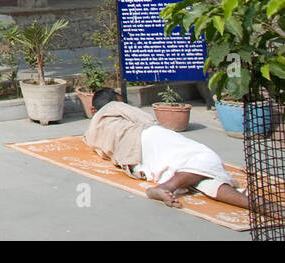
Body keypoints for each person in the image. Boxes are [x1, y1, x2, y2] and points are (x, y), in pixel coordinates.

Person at [84, 88, 248, 209]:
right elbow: (147, 120)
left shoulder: (90, 133)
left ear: (93, 110)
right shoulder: (114, 106)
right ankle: (166, 187)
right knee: (205, 157)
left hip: (131, 160)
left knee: (200, 178)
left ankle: (257, 206)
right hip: (145, 137)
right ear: (115, 100)